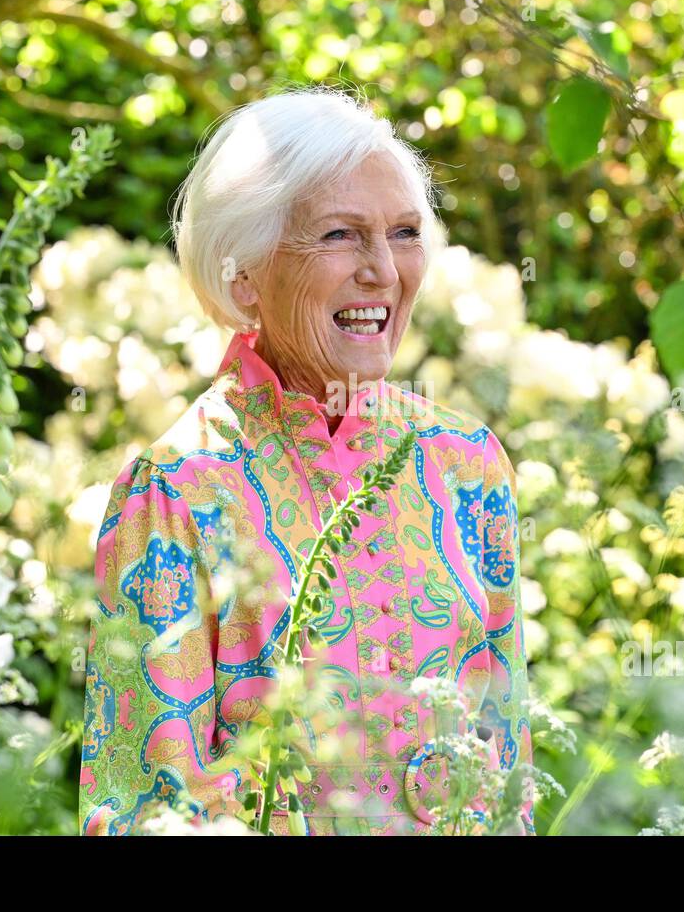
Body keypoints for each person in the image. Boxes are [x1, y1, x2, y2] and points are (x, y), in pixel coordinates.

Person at [79, 85, 533, 835]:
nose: (383, 270)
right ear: (244, 274)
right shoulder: (177, 490)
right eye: (339, 236)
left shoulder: (467, 464)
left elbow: (506, 763)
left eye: (404, 232)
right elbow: (143, 808)